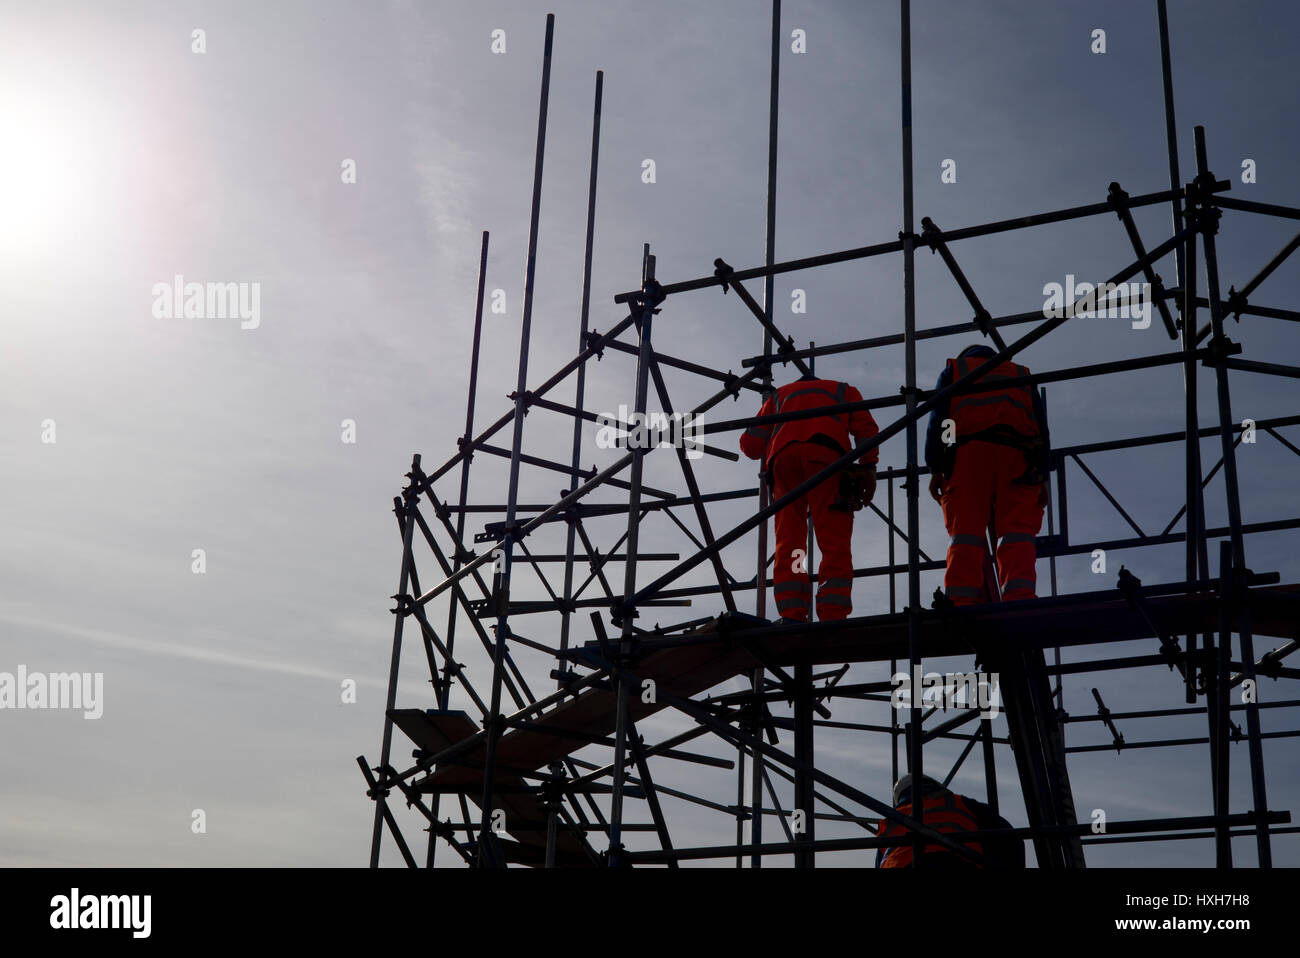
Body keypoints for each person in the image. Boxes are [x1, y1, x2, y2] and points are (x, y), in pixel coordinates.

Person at [740, 373, 879, 622]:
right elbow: (866, 431)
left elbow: (750, 446)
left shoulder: (778, 396)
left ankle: (792, 611)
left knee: (791, 540)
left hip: (784, 463)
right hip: (827, 459)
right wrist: (868, 467)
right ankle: (832, 611)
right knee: (832, 539)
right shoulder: (843, 390)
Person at [924, 344, 1050, 606]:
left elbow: (943, 420)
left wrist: (938, 464)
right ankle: (1020, 598)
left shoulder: (955, 371)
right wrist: (1043, 474)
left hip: (971, 452)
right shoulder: (1021, 374)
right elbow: (1040, 427)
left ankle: (960, 601)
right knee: (1017, 532)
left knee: (966, 533)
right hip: (1018, 455)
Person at [876, 774, 1025, 868]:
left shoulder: (889, 821)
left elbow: (880, 862)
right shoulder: (960, 802)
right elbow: (1009, 838)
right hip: (955, 861)